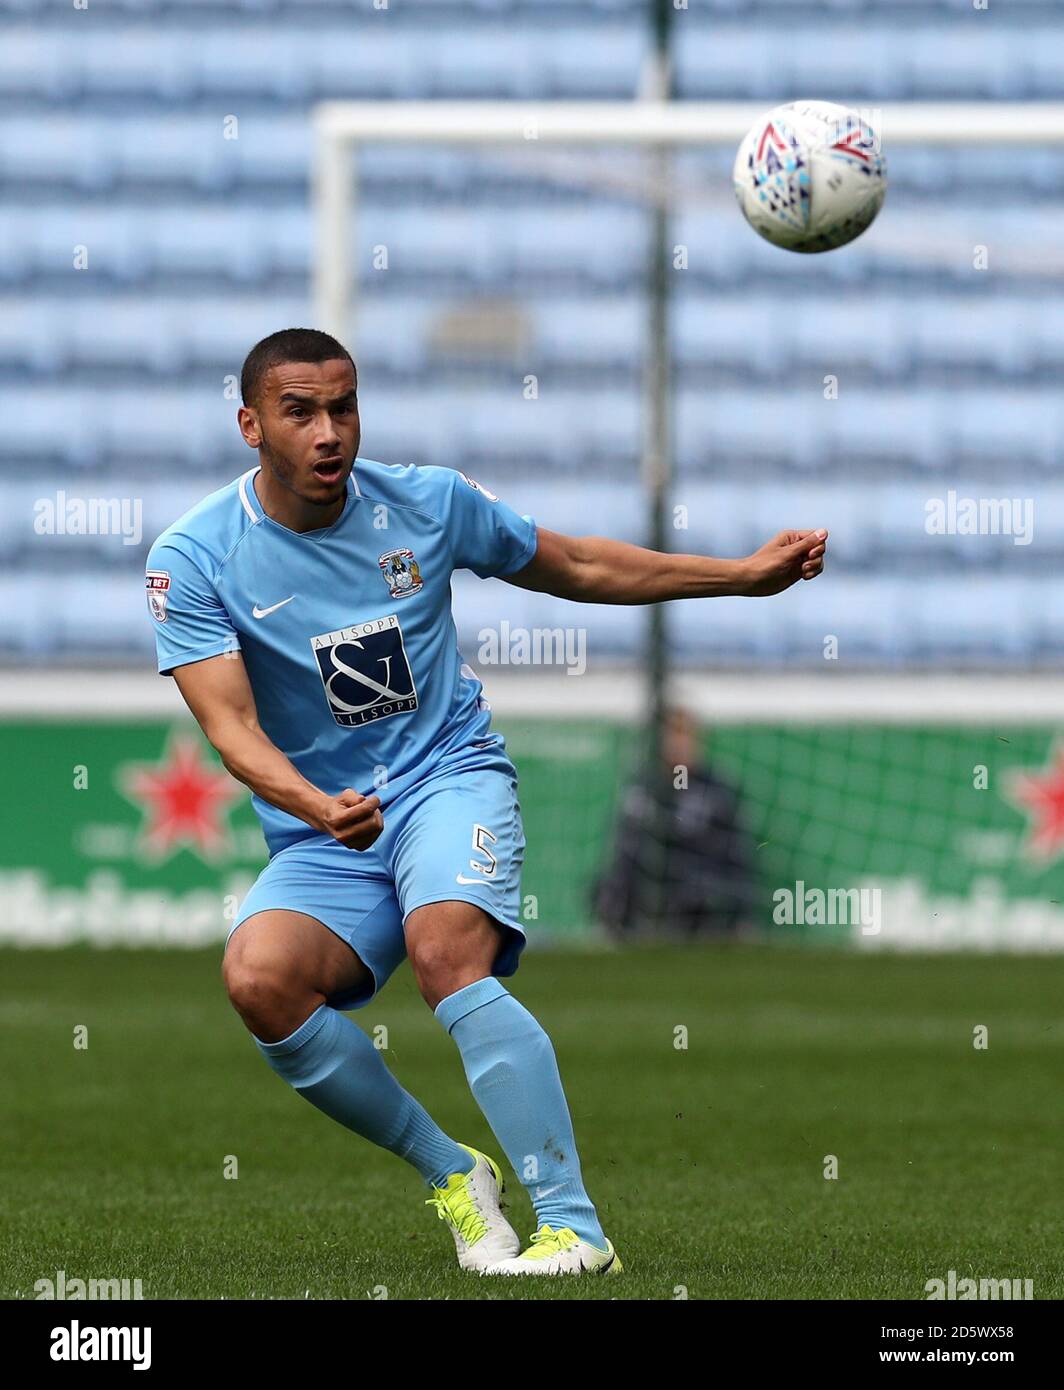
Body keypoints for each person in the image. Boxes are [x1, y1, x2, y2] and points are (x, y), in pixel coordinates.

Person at [144, 327, 827, 1277]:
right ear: (251, 424)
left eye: (344, 407)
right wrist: (313, 801)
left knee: (446, 955)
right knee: (260, 980)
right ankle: (454, 1173)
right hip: (326, 824)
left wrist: (740, 577)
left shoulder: (429, 504)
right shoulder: (197, 557)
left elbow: (578, 564)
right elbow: (231, 730)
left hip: (444, 778)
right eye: (301, 412)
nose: (329, 431)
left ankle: (575, 1229)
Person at [594, 708, 758, 939]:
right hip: (649, 885)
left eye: (685, 736)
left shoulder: (714, 789)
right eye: (673, 735)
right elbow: (626, 849)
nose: (679, 744)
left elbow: (735, 855)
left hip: (696, 889)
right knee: (607, 888)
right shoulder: (643, 787)